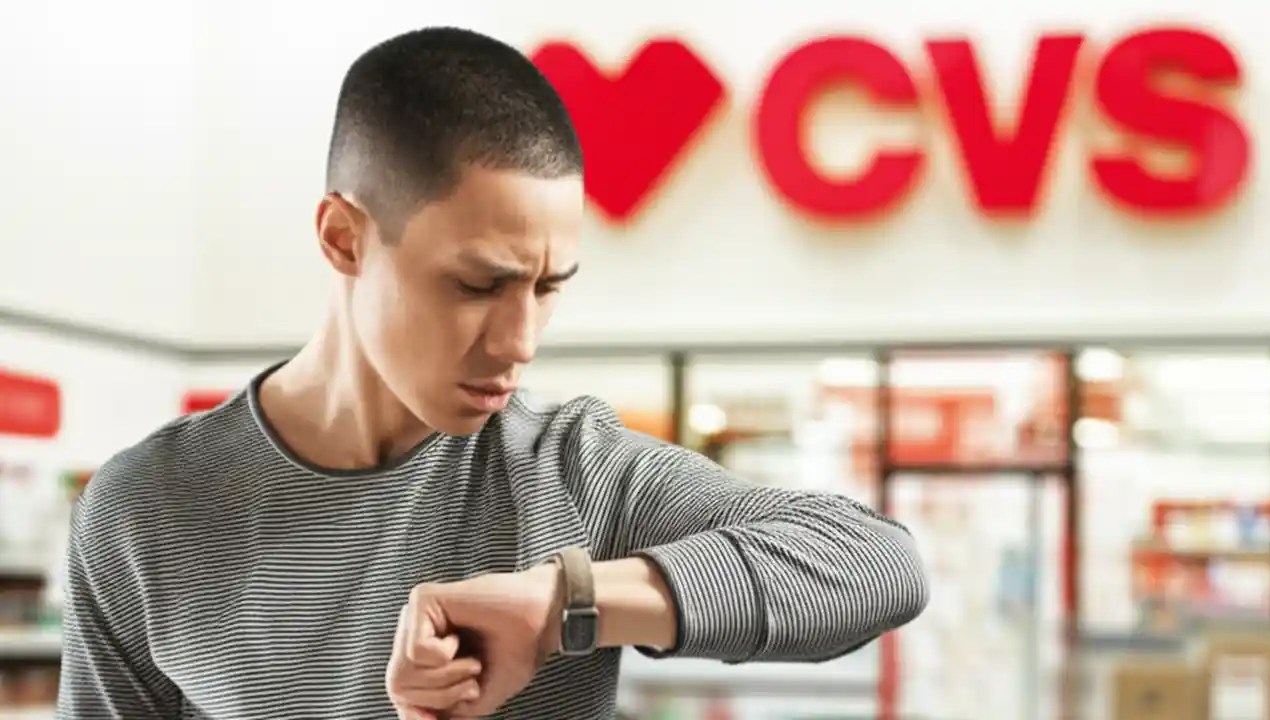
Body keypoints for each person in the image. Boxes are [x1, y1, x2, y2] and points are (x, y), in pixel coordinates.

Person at [54, 26, 929, 720]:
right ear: (344, 239)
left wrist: (564, 604)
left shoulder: (571, 470)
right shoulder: (142, 511)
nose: (521, 341)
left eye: (549, 288)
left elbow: (875, 563)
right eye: (479, 285)